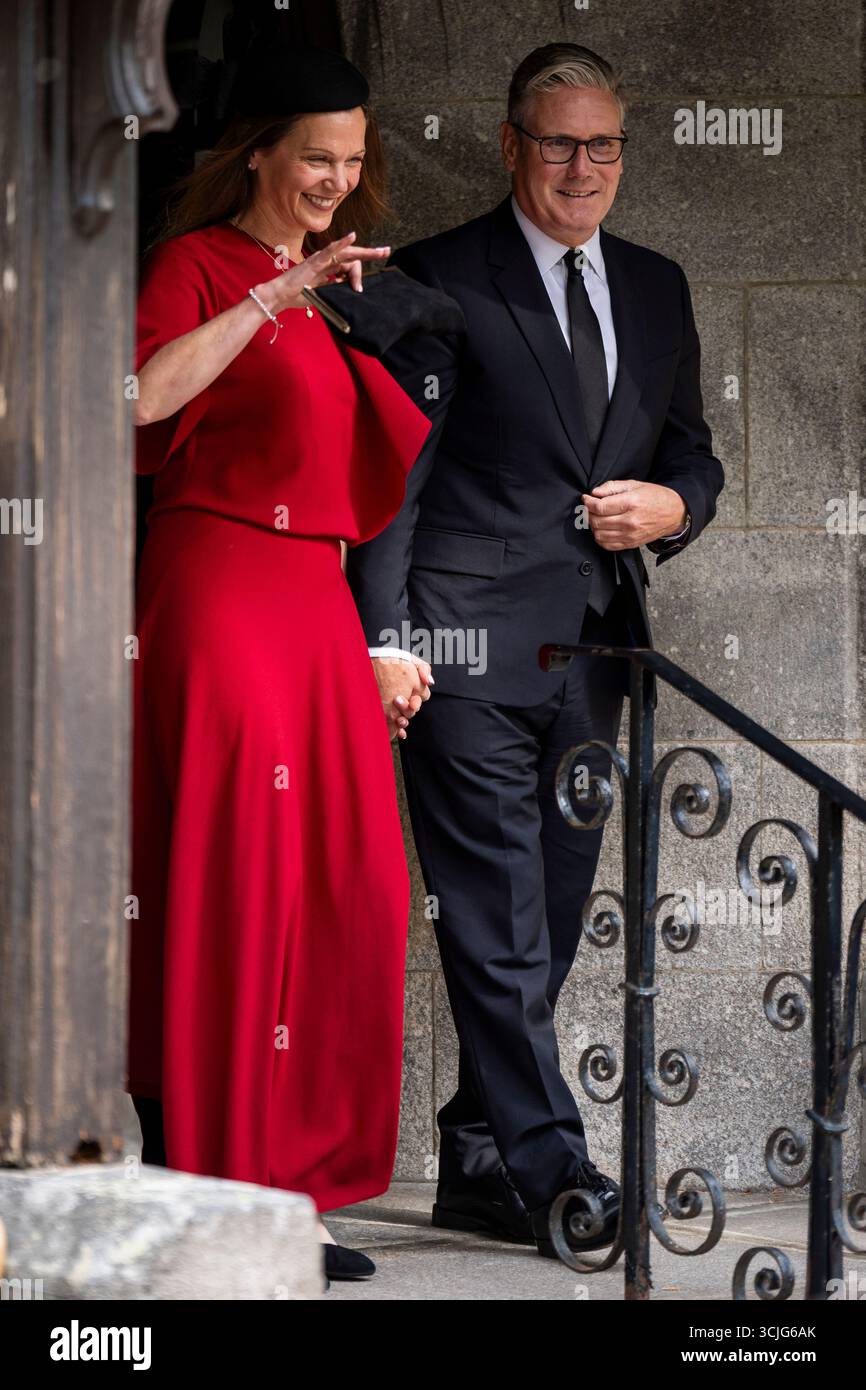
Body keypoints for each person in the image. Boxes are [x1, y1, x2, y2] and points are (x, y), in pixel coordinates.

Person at [347, 43, 724, 1259]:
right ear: (512, 145)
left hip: (593, 656)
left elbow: (691, 451)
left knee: (548, 919)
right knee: (499, 921)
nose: (581, 166)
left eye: (602, 144)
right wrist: (384, 640)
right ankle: (559, 1169)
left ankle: (473, 1152)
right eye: (557, 142)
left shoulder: (659, 285)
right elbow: (391, 481)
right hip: (458, 655)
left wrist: (673, 508)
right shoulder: (439, 276)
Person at [126, 42, 433, 1285]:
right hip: (215, 584)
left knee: (343, 883)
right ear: (258, 149)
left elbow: (361, 485)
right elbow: (137, 398)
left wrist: (375, 641)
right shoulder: (196, 264)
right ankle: (218, 1191)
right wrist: (268, 298)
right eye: (317, 156)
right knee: (235, 880)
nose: (336, 179)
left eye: (353, 162)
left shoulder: (343, 282)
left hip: (313, 603)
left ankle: (299, 1186)